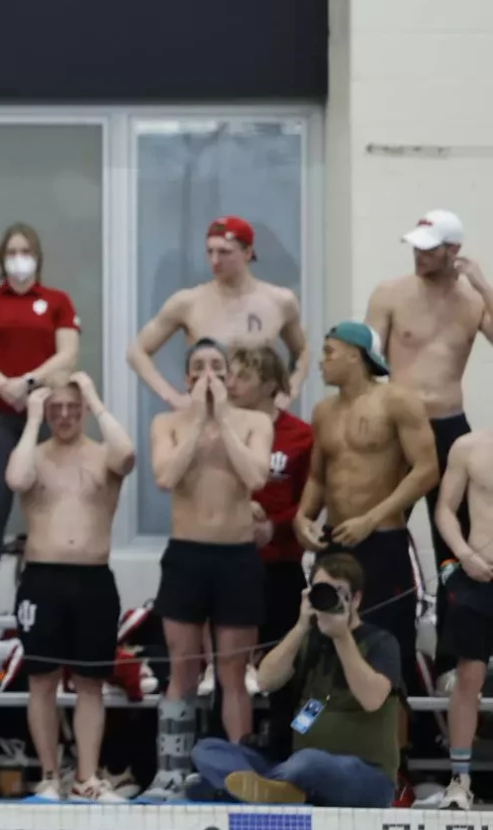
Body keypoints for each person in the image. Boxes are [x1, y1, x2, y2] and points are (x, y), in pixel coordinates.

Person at [141, 339, 272, 801]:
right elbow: (165, 476)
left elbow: (255, 477)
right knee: (183, 671)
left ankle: (237, 773)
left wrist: (221, 420)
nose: (210, 375)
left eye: (219, 366)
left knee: (234, 674)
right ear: (188, 378)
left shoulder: (255, 422)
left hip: (235, 557)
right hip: (186, 555)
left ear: (231, 377)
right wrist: (199, 421)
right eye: (199, 367)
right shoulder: (168, 423)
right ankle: (170, 771)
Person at [6, 374, 135, 802]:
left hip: (93, 579)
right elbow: (16, 479)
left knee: (90, 683)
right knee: (41, 680)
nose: (64, 416)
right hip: (42, 578)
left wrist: (95, 399)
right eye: (55, 408)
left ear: (84, 411)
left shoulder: (103, 456)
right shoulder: (35, 454)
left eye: (72, 408)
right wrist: (30, 419)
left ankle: (85, 778)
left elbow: (129, 455)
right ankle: (47, 776)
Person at [189, 555, 402, 807]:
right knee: (206, 750)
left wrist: (342, 636)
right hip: (295, 766)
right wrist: (301, 625)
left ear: (355, 599)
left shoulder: (381, 642)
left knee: (308, 763)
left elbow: (372, 698)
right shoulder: (308, 640)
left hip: (365, 775)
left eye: (338, 593)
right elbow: (266, 681)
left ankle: (263, 789)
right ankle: (279, 790)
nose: (329, 599)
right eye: (321, 591)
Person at [293, 322, 438, 680]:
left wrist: (371, 519)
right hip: (335, 544)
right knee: (323, 644)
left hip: (382, 542)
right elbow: (317, 477)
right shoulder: (323, 411)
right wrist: (302, 517)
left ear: (356, 356)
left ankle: (392, 734)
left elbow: (427, 470)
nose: (321, 362)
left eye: (329, 352)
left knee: (387, 643)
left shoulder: (396, 401)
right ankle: (312, 728)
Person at [367, 210, 493, 586]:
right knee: (384, 528)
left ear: (453, 250)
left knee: (458, 535)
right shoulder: (390, 293)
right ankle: (390, 633)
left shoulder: (473, 301)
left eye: (428, 250)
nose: (418, 256)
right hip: (400, 424)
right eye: (416, 249)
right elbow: (368, 360)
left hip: (450, 425)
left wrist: (484, 287)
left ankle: (456, 639)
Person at [0, 223, 81, 619]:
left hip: (44, 409)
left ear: (38, 256)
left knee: (45, 496)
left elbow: (67, 354)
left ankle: (44, 583)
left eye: (25, 250)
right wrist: (4, 386)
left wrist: (28, 382)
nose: (19, 258)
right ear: (1, 258)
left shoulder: (57, 301)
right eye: (11, 251)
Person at [127, 217, 308, 410]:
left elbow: (302, 351)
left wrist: (291, 388)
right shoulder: (188, 302)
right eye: (210, 252)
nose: (215, 260)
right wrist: (172, 397)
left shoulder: (280, 301)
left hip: (261, 418)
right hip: (208, 417)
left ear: (247, 253)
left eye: (224, 252)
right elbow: (137, 351)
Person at [228, 344, 314, 658]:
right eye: (231, 375)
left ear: (269, 385)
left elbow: (313, 501)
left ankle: (296, 711)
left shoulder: (300, 435)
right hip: (229, 562)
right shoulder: (224, 431)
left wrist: (274, 525)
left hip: (280, 564)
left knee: (282, 667)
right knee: (231, 669)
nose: (231, 383)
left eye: (243, 376)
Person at [432, 427, 493, 809]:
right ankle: (460, 778)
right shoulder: (470, 447)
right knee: (468, 676)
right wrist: (463, 554)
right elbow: (444, 510)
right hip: (479, 573)